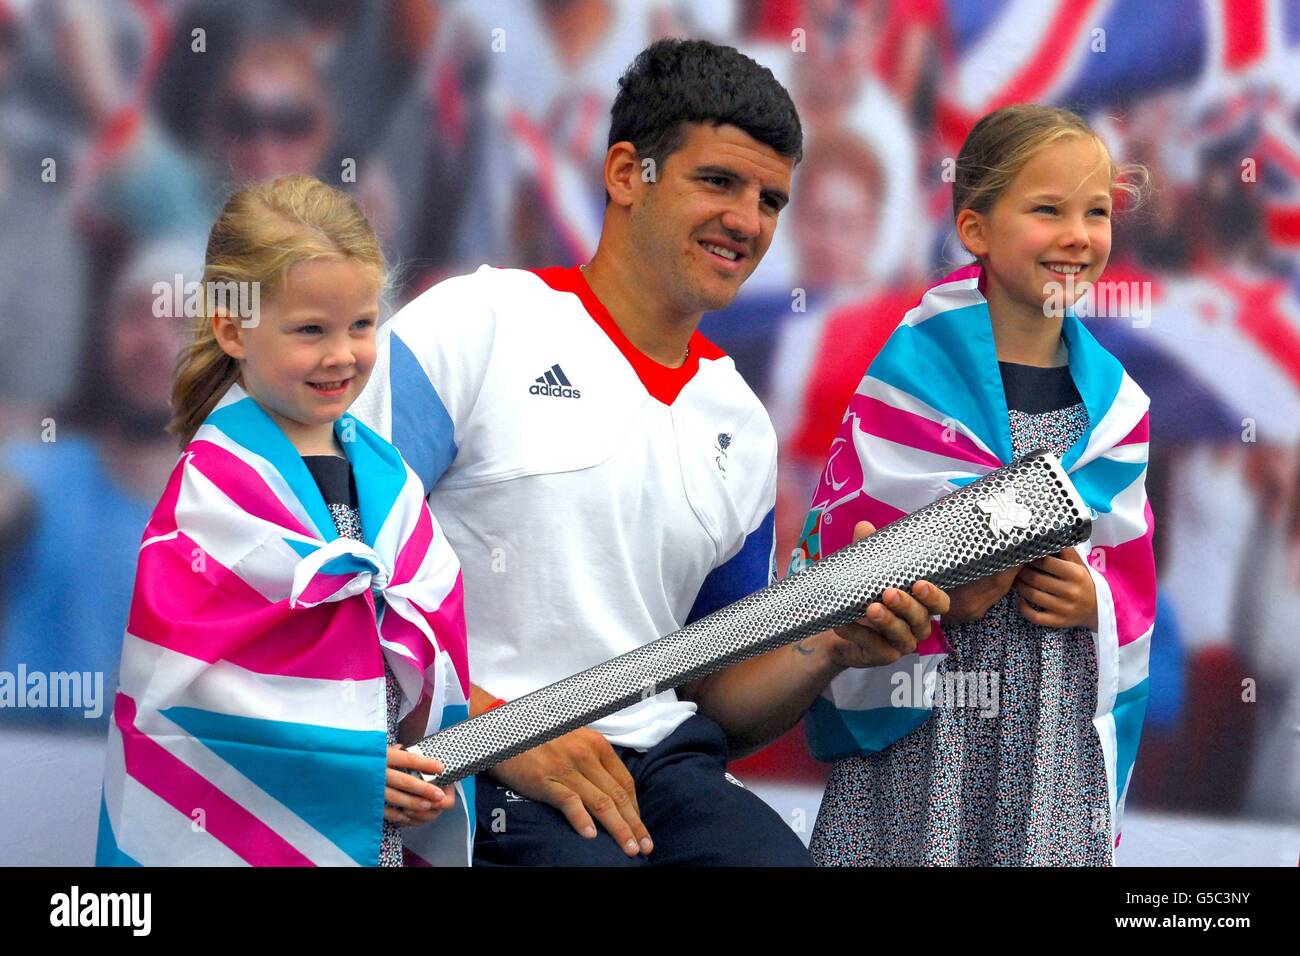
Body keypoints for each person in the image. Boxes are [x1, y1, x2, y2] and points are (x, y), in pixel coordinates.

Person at [351, 38, 950, 867]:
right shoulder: (474, 323)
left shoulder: (741, 420)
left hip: (663, 768)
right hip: (472, 765)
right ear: (628, 173)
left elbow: (712, 690)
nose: (747, 220)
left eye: (771, 199)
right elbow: (336, 562)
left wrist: (830, 643)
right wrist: (491, 732)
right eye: (719, 181)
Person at [794, 104, 1156, 866]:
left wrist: (1093, 599)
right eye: (1047, 209)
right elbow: (850, 550)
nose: (1077, 236)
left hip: (1048, 737)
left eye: (1096, 212)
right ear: (976, 230)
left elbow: (1129, 577)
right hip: (925, 723)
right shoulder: (908, 380)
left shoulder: (1119, 408)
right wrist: (944, 574)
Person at [97, 175, 471, 867]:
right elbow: (183, 706)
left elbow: (433, 638)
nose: (343, 354)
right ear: (233, 326)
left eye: (362, 325)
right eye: (310, 330)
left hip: (384, 831)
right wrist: (348, 770)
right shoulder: (208, 494)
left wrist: (431, 758)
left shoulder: (391, 479)